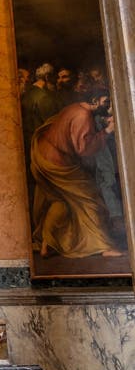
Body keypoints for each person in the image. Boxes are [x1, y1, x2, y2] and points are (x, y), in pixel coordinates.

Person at [30, 89, 123, 259]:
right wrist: (108, 130)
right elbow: (84, 149)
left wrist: (101, 124)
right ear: (95, 100)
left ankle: (46, 243)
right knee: (91, 197)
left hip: (43, 155)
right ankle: (104, 246)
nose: (108, 105)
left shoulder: (75, 108)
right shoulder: (83, 115)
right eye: (106, 102)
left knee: (61, 200)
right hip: (57, 162)